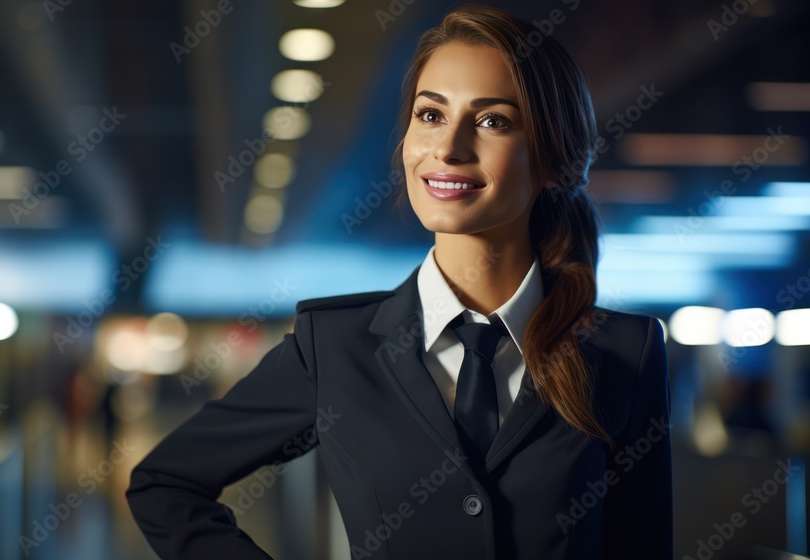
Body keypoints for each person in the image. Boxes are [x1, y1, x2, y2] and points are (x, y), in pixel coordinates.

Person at [127, 4, 673, 559]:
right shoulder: (336, 347)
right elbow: (165, 484)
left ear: (555, 157)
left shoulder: (624, 352)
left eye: (493, 121)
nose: (449, 147)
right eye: (430, 115)